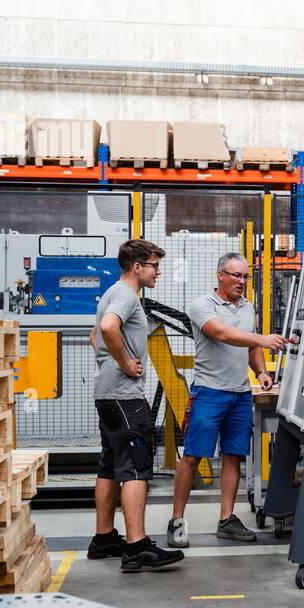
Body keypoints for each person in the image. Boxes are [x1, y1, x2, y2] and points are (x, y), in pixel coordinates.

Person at [167, 252, 288, 547]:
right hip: (209, 392)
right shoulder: (202, 306)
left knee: (234, 456)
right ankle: (177, 520)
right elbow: (221, 333)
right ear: (220, 275)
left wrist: (260, 371)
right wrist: (262, 339)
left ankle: (226, 519)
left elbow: (249, 345)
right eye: (236, 275)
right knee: (194, 456)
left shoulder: (248, 308)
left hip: (240, 394)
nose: (242, 282)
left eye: (246, 276)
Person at [88, 238, 185, 572]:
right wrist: (127, 363)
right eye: (154, 265)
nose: (158, 271)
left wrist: (111, 361)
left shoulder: (112, 293)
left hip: (107, 392)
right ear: (137, 267)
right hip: (125, 397)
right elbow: (106, 328)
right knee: (135, 468)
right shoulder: (127, 295)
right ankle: (136, 545)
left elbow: (94, 337)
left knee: (110, 465)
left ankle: (104, 538)